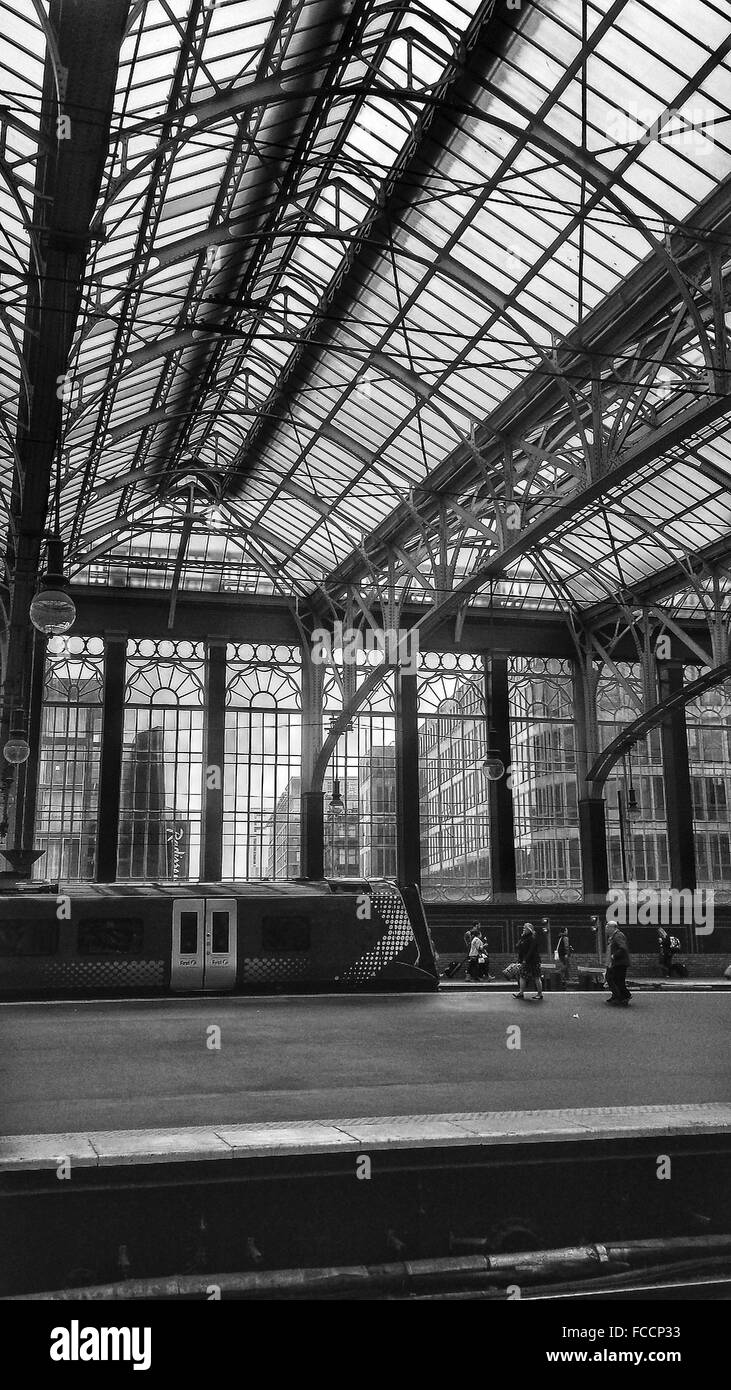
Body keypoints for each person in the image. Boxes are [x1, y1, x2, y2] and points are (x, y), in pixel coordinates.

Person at [514, 922, 543, 1001]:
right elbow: (518, 946)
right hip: (525, 961)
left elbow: (531, 950)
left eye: (525, 928)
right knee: (522, 976)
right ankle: (521, 993)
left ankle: (540, 994)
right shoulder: (524, 937)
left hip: (533, 961)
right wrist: (522, 937)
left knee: (536, 977)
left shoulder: (533, 937)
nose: (523, 929)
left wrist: (525, 960)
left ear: (529, 929)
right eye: (523, 928)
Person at [605, 927, 632, 1005]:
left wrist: (614, 955)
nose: (606, 930)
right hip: (615, 962)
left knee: (617, 980)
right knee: (613, 979)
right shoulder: (613, 936)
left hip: (620, 962)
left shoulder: (618, 936)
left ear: (612, 928)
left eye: (607, 928)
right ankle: (618, 996)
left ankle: (625, 996)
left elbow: (623, 948)